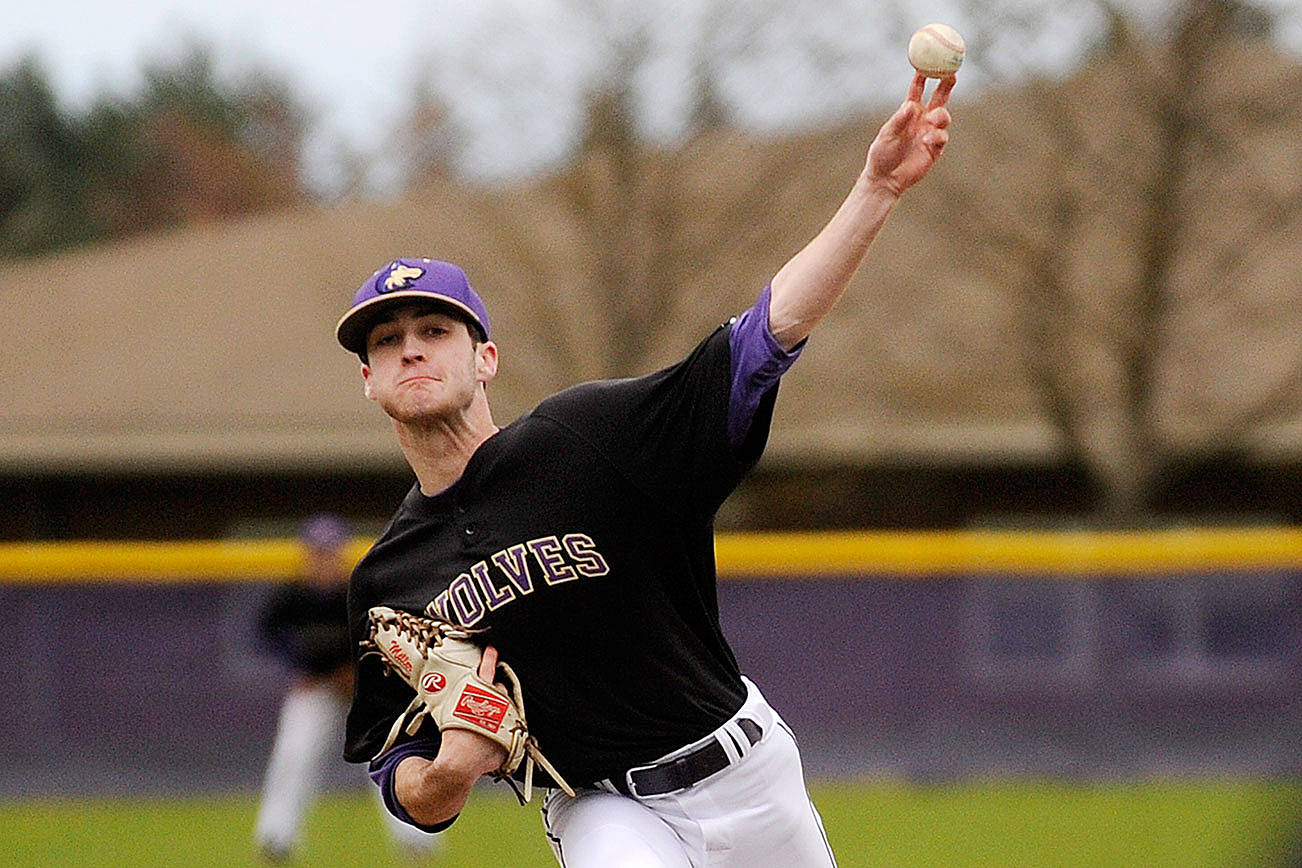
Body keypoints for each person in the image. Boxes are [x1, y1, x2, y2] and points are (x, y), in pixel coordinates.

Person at [338, 72, 955, 867]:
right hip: (606, 810)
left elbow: (760, 344)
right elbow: (399, 779)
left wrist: (875, 190)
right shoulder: (387, 582)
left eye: (433, 328)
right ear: (367, 379)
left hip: (748, 774)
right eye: (385, 341)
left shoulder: (588, 439)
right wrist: (448, 773)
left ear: (486, 357)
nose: (410, 347)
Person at [254, 513, 439, 863]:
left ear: (340, 553)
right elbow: (268, 637)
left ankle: (416, 838)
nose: (324, 558)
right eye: (318, 551)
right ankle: (276, 838)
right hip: (315, 690)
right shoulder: (290, 595)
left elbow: (383, 636)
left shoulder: (357, 590)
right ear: (307, 554)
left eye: (330, 551)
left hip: (361, 690)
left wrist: (357, 672)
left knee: (388, 758)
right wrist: (300, 667)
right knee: (293, 758)